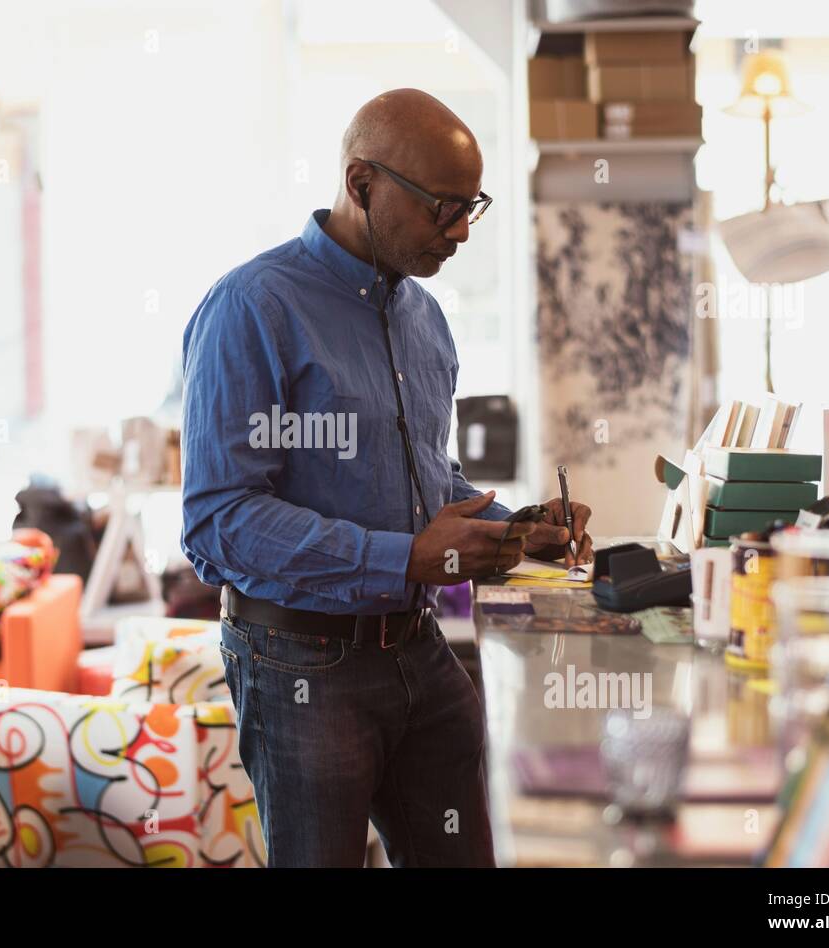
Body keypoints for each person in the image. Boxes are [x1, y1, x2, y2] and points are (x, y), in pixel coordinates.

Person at [181, 88, 593, 867]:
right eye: (444, 206)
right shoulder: (251, 308)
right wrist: (406, 557)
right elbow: (218, 523)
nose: (463, 230)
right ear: (361, 182)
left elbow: (427, 480)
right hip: (299, 661)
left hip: (420, 649)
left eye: (473, 206)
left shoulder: (424, 319)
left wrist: (515, 523)